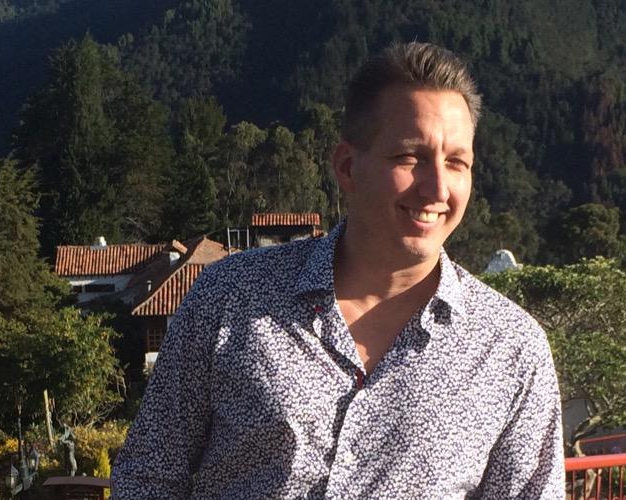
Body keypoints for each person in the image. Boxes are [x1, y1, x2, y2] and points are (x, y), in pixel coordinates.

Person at [112, 42, 564, 499]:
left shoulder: (511, 350)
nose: (437, 188)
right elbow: (148, 477)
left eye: (456, 163)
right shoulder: (231, 297)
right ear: (347, 166)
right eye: (410, 157)